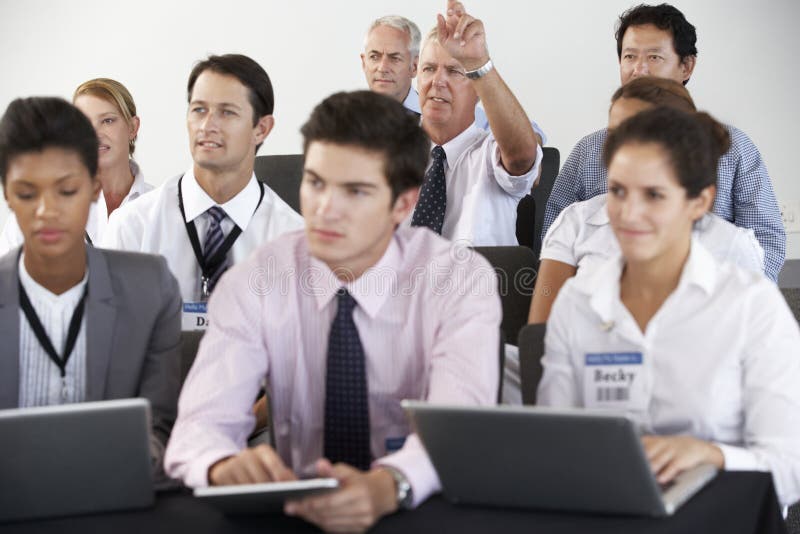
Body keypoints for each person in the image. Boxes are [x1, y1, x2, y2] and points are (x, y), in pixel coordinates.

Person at [164, 90, 501, 532]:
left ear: (403, 203)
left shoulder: (459, 281)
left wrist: (390, 484)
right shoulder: (256, 279)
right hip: (296, 514)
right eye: (316, 183)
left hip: (421, 512)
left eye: (355, 191)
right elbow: (199, 425)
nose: (325, 209)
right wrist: (221, 464)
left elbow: (459, 429)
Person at [536, 106, 800, 508]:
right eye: (618, 191)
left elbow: (790, 467)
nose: (629, 213)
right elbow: (556, 440)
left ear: (699, 202)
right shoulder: (579, 301)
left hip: (723, 510)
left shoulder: (752, 306)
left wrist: (712, 456)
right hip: (609, 508)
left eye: (654, 195)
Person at [0, 96, 181, 475]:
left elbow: (159, 428)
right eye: (27, 194)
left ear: (96, 187)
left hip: (118, 492)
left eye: (66, 191)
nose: (46, 211)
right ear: (6, 193)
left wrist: (113, 473)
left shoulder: (151, 290)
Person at [540, 3, 785, 281]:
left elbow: (766, 240)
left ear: (686, 66)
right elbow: (554, 236)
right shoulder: (588, 151)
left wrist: (727, 296)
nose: (639, 70)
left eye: (654, 57)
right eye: (629, 56)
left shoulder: (733, 147)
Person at [528, 77, 764, 323]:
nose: (620, 148)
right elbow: (543, 333)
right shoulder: (576, 221)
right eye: (613, 135)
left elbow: (753, 336)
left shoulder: (732, 245)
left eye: (637, 134)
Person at [102, 54, 303, 302]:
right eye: (199, 110)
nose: (207, 126)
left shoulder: (296, 243)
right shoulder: (132, 227)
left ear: (261, 129)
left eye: (227, 112)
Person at [405, 0, 541, 246]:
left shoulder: (490, 153)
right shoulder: (387, 152)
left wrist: (478, 63)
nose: (437, 81)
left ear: (479, 90)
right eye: (429, 69)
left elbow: (521, 158)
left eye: (454, 71)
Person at [0, 78, 152, 253]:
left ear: (133, 127)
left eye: (108, 121)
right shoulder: (39, 207)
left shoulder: (159, 207)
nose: (95, 134)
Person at [360, 14, 548, 146]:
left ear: (414, 66)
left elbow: (528, 138)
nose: (382, 68)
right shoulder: (350, 119)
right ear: (363, 62)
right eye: (374, 57)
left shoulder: (447, 109)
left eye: (395, 58)